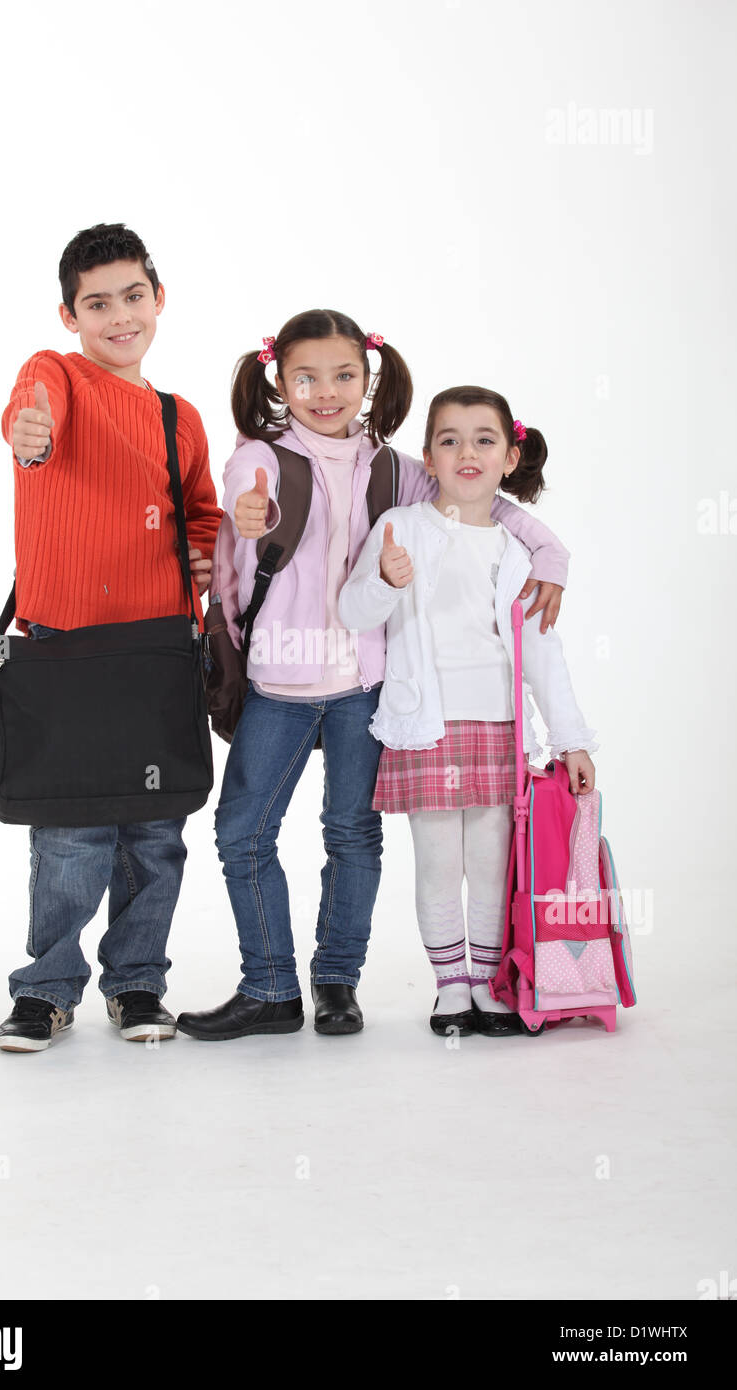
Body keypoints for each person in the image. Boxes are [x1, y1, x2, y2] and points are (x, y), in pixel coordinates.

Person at [176, 314, 570, 1042]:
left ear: (369, 379)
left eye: (344, 376)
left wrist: (550, 556)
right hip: (280, 684)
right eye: (305, 377)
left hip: (370, 687)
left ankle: (336, 985)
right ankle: (268, 986)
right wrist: (250, 508)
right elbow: (244, 492)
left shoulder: (397, 470)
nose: (326, 392)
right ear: (279, 380)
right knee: (242, 831)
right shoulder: (260, 456)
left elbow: (478, 501)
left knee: (352, 835)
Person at [0, 223, 222, 1052]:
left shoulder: (178, 416)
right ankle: (46, 991)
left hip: (159, 645)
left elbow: (203, 511)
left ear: (158, 299)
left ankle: (136, 985)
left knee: (156, 830)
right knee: (69, 829)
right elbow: (30, 410)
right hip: (64, 642)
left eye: (133, 296)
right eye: (97, 303)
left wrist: (207, 547)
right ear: (69, 314)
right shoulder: (52, 374)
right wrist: (32, 430)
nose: (119, 315)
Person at [338, 385, 597, 1038]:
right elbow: (352, 613)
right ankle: (451, 986)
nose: (467, 452)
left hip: (500, 728)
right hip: (423, 724)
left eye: (484, 439)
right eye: (449, 440)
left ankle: (486, 983)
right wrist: (383, 581)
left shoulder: (520, 553)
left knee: (489, 862)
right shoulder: (400, 528)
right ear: (428, 458)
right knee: (437, 863)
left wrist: (571, 740)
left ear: (510, 456)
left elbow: (543, 654)